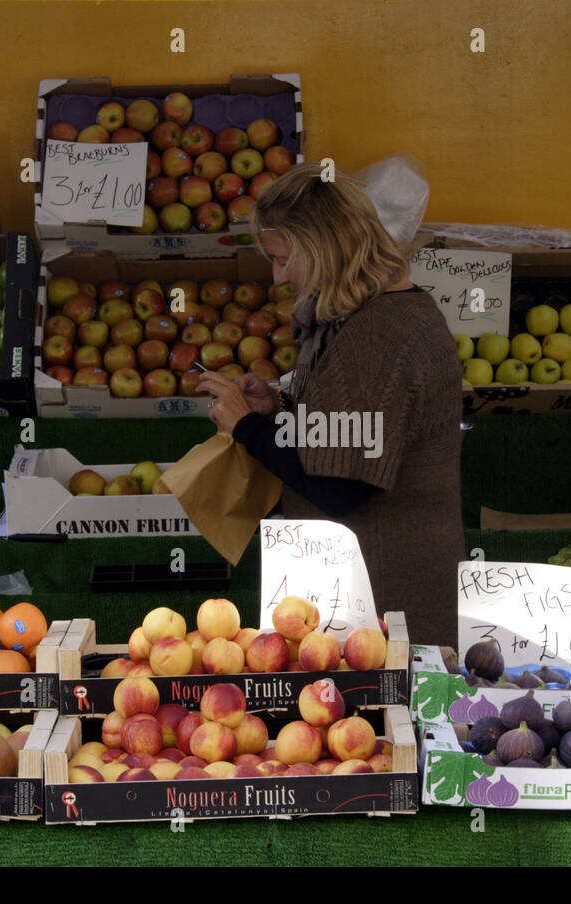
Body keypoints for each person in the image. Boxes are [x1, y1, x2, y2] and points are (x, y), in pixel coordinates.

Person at [197, 163, 464, 649]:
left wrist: (247, 429)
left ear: (325, 249)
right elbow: (347, 436)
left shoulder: (376, 336)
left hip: (389, 608)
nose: (277, 277)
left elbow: (339, 485)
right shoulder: (375, 314)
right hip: (377, 600)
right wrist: (278, 413)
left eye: (282, 259)